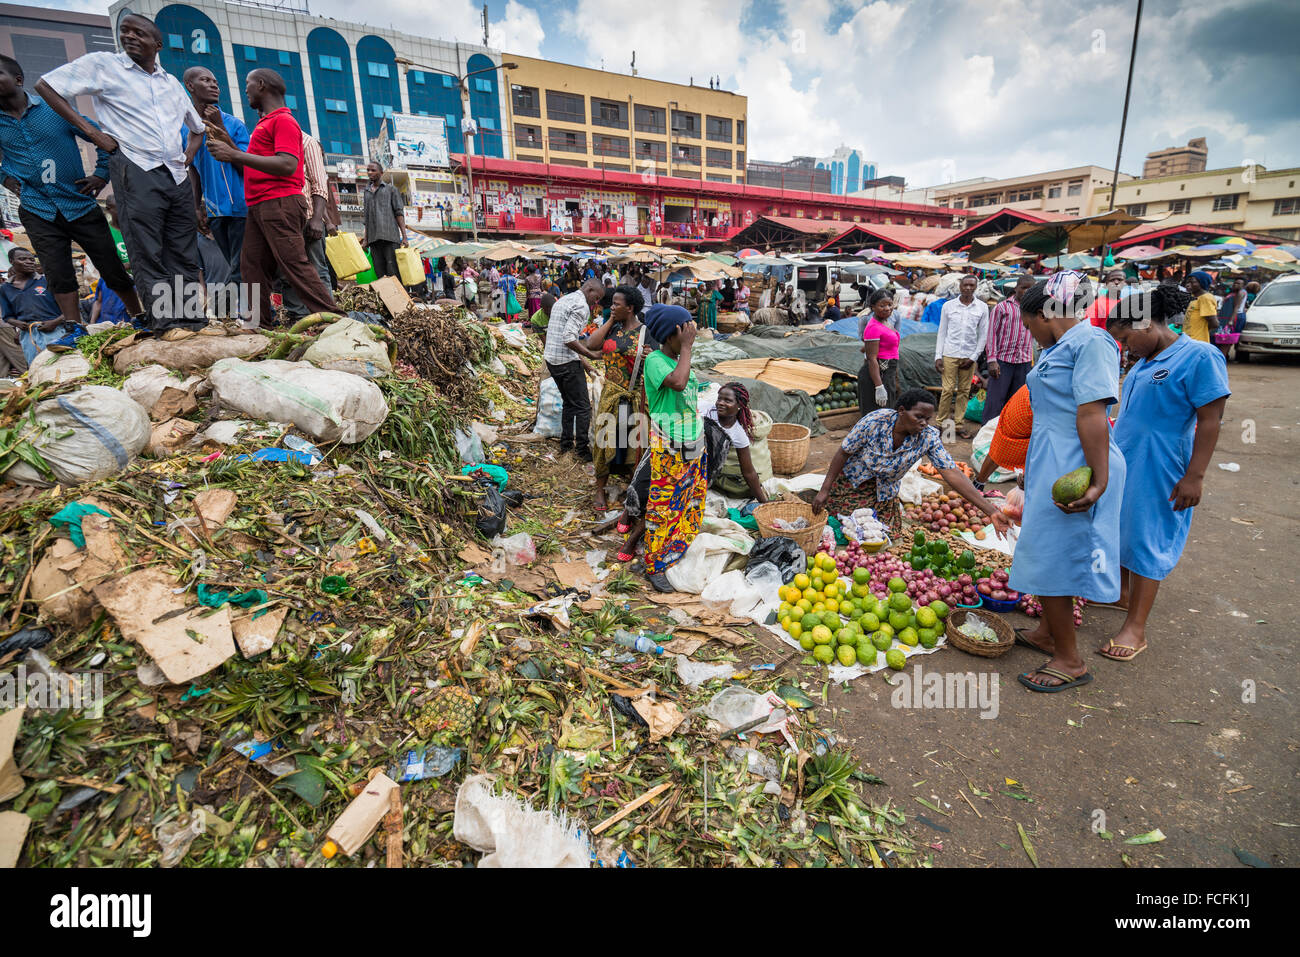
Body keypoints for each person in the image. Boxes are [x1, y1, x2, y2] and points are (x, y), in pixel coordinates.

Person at [35, 13, 205, 333]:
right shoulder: (104, 65)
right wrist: (92, 131)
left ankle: (191, 319)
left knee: (182, 250)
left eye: (138, 33)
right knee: (147, 251)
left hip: (176, 174)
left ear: (157, 44)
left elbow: (197, 129)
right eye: (124, 31)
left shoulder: (171, 84)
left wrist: (189, 155)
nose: (128, 37)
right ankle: (165, 324)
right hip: (135, 167)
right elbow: (46, 85)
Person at [1008, 272, 1126, 693]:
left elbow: (1092, 414)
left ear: (1045, 313)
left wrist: (1098, 481)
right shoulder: (1061, 347)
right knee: (1046, 549)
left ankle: (1069, 660)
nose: (1029, 334)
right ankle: (1046, 633)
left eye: (1028, 325)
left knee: (1054, 557)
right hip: (1055, 460)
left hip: (1079, 464)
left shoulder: (1091, 343)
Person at [1100, 285, 1230, 662]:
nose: (1125, 348)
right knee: (1126, 528)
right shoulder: (1144, 362)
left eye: (1126, 338)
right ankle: (1122, 595)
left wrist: (1196, 475)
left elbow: (1210, 420)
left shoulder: (1199, 356)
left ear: (1145, 323)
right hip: (1131, 460)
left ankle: (1135, 629)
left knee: (1151, 537)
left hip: (1164, 463)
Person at [0, 55, 142, 332]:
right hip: (36, 208)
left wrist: (101, 175)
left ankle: (138, 316)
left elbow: (102, 139)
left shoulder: (55, 110)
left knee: (110, 264)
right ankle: (74, 328)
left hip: (79, 204)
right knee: (57, 271)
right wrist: (6, 178)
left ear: (18, 80)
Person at [203, 68, 335, 327]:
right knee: (251, 267)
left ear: (261, 85)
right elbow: (251, 163)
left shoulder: (283, 121)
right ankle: (258, 325)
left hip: (280, 203)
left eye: (248, 84)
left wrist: (235, 155)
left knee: (295, 265)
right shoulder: (266, 124)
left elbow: (287, 164)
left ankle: (336, 321)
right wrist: (220, 131)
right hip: (260, 205)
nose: (245, 90)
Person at [812, 388, 1008, 543]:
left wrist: (991, 511)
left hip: (885, 492)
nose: (924, 423)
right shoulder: (875, 421)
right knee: (850, 531)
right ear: (901, 411)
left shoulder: (928, 437)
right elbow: (843, 452)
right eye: (918, 417)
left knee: (885, 537)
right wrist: (825, 489)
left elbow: (952, 473)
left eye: (928, 419)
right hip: (854, 483)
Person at [634, 304, 707, 591]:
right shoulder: (656, 360)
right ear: (671, 334)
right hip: (670, 445)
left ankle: (674, 550)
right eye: (686, 329)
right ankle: (654, 564)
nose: (692, 334)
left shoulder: (678, 357)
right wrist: (687, 349)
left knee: (689, 499)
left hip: (693, 441)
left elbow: (688, 390)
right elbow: (677, 383)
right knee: (663, 505)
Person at [586, 284, 652, 511]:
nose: (612, 307)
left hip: (635, 397)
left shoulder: (646, 333)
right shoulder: (611, 329)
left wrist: (651, 356)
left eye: (617, 304)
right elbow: (592, 345)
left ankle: (632, 491)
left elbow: (659, 363)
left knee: (635, 444)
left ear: (631, 308)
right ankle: (600, 490)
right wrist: (610, 321)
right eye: (611, 303)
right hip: (611, 395)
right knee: (604, 441)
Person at [182, 65, 248, 283]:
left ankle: (253, 315)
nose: (214, 85)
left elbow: (247, 166)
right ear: (190, 86)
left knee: (242, 267)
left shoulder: (234, 124)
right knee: (233, 264)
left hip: (242, 208)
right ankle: (258, 313)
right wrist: (195, 206)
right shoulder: (184, 129)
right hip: (214, 211)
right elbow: (193, 170)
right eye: (206, 80)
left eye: (216, 82)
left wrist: (221, 129)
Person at [543, 278, 605, 460]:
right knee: (584, 407)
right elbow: (569, 338)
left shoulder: (564, 299)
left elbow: (563, 337)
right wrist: (591, 355)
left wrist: (585, 365)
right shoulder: (581, 306)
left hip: (552, 361)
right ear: (590, 288)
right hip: (566, 364)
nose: (596, 303)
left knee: (569, 403)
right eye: (597, 297)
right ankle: (582, 450)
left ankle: (566, 444)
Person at [277, 131, 332, 319]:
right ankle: (298, 317)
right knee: (288, 272)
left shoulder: (307, 142)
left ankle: (326, 315)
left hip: (308, 218)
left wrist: (317, 220)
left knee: (317, 268)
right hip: (283, 221)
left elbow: (319, 185)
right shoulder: (269, 142)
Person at [0, 247, 78, 363]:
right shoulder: (6, 288)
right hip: (29, 335)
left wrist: (54, 322)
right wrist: (18, 324)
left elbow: (72, 309)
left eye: (31, 259)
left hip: (56, 332)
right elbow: (8, 316)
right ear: (11, 261)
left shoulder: (48, 281)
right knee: (35, 366)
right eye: (22, 259)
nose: (29, 262)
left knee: (61, 364)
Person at [934, 274, 988, 438]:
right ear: (960, 286)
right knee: (948, 390)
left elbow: (983, 335)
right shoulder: (949, 306)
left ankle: (958, 425)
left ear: (975, 287)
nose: (968, 288)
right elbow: (942, 332)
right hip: (950, 353)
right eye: (965, 285)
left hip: (969, 355)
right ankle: (940, 424)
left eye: (972, 285)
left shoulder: (982, 307)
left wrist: (973, 357)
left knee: (964, 390)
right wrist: (938, 356)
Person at [982, 274, 1036, 422]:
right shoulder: (1002, 307)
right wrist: (992, 360)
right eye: (1023, 288)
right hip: (1002, 362)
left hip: (1024, 362)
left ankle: (1008, 434)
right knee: (995, 401)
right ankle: (987, 435)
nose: (1026, 292)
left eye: (1030, 289)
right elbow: (992, 334)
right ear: (1016, 288)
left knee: (1016, 402)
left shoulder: (1034, 310)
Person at [974, 384, 1032, 486]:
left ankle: (978, 484)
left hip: (1029, 400)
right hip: (1029, 405)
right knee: (1001, 446)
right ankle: (978, 484)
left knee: (1001, 446)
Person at [857, 289, 900, 416]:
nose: (887, 308)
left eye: (890, 304)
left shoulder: (887, 322)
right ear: (873, 307)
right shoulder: (873, 327)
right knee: (878, 416)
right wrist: (879, 387)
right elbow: (871, 358)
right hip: (877, 375)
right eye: (882, 305)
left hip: (887, 372)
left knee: (888, 413)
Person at [361, 160, 405, 280]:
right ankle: (387, 298)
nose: (370, 173)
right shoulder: (366, 192)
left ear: (381, 173)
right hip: (374, 239)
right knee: (380, 274)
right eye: (368, 170)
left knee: (393, 271)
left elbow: (399, 213)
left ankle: (400, 297)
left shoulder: (391, 189)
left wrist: (404, 237)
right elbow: (367, 217)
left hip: (390, 237)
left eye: (373, 170)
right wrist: (365, 240)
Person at [1182, 270, 1218, 343]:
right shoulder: (1193, 297)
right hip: (1188, 339)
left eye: (1192, 282)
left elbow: (1214, 323)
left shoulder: (1205, 298)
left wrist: (1200, 331)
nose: (1187, 285)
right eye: (1187, 282)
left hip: (1197, 341)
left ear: (1202, 283)